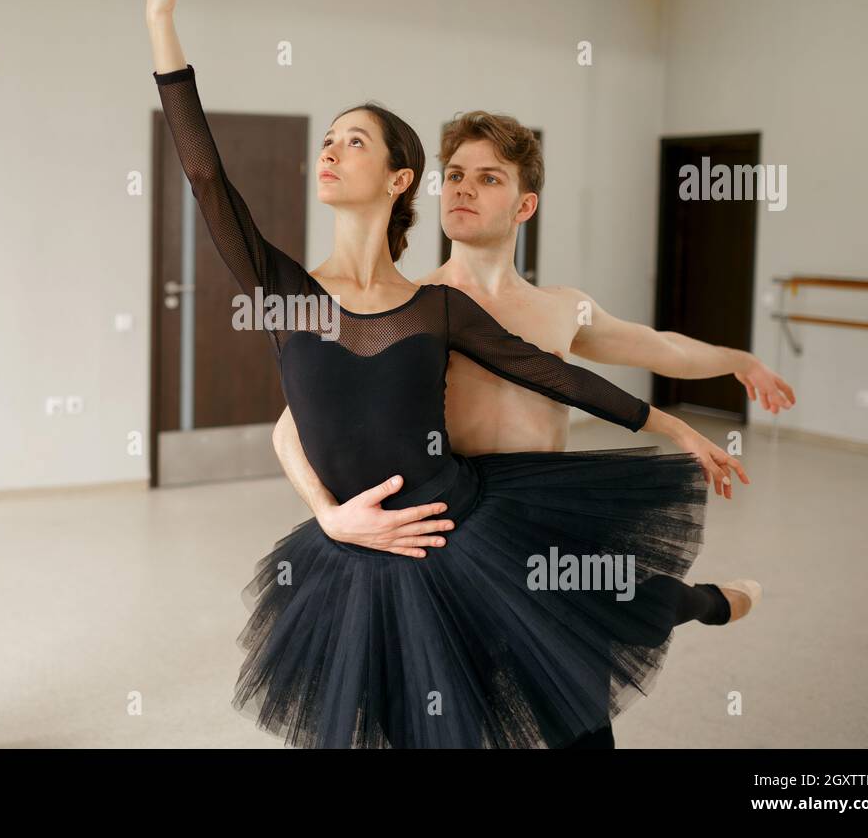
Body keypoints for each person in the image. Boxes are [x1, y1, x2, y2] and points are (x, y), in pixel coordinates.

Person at [147, 0, 750, 748]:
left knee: (573, 682)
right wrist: (160, 19)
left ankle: (696, 602)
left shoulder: (437, 306)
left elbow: (550, 371)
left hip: (470, 524)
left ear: (399, 180)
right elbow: (208, 180)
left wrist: (674, 424)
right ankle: (695, 603)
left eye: (352, 141)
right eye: (325, 138)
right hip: (356, 560)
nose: (329, 149)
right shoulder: (284, 290)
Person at [270, 109, 789, 746]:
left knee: (593, 668)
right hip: (453, 530)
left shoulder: (561, 308)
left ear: (524, 205)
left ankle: (702, 602)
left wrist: (742, 361)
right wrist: (328, 513)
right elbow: (295, 423)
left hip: (545, 513)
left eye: (488, 179)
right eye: (455, 175)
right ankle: (702, 602)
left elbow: (662, 349)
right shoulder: (411, 305)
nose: (463, 188)